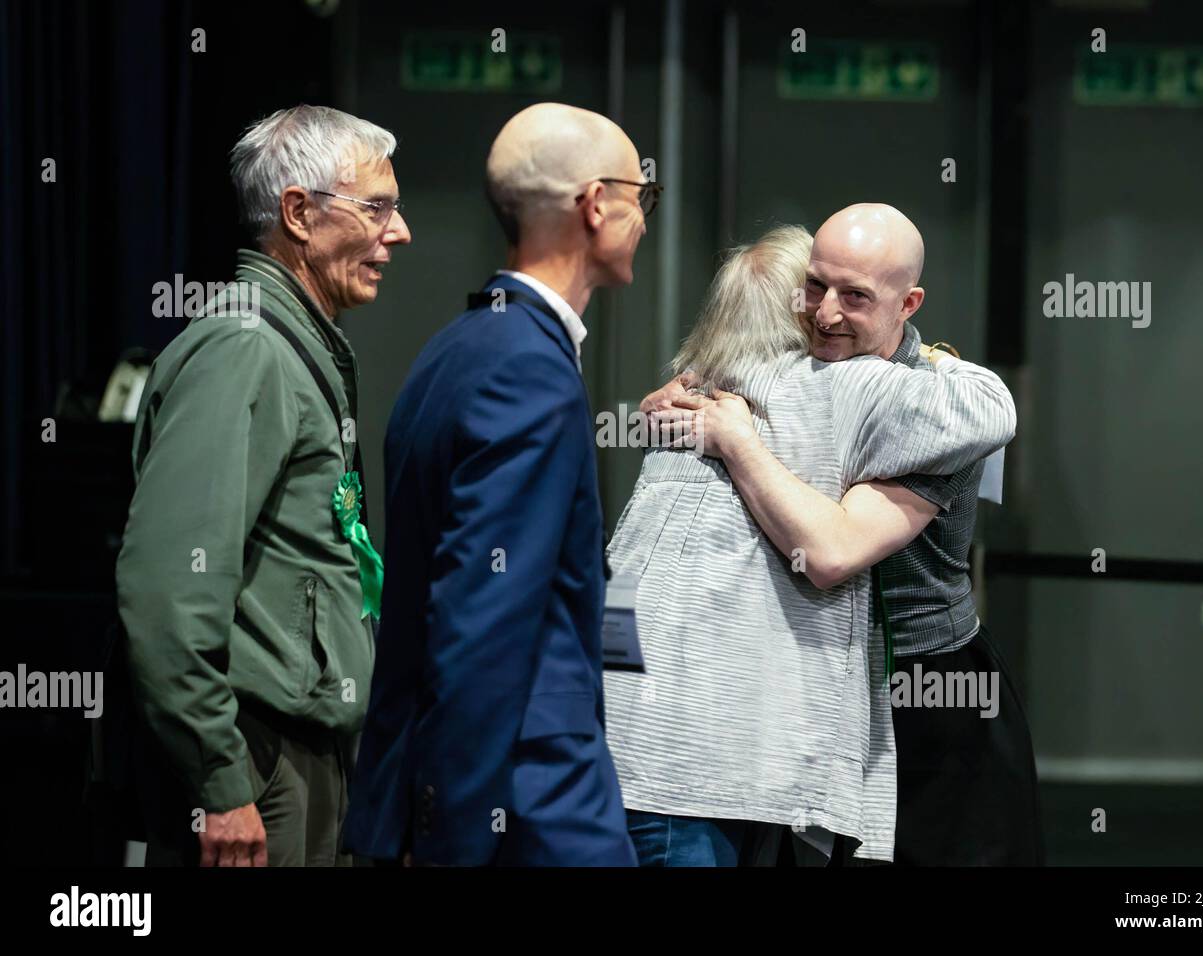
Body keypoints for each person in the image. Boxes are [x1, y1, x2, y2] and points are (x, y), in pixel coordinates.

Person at [604, 219, 1016, 866]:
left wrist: (736, 438)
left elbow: (832, 551)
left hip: (925, 683)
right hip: (813, 675)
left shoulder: (913, 396)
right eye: (813, 288)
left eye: (853, 297)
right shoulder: (764, 388)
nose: (826, 313)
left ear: (907, 305)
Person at [344, 103, 655, 866]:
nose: (645, 216)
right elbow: (479, 619)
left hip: (464, 790)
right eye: (640, 191)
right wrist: (450, 832)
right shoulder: (527, 368)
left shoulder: (457, 345)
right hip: (525, 806)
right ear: (595, 204)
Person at [116, 104, 412, 866]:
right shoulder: (242, 349)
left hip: (294, 756)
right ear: (299, 214)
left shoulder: (287, 341)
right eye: (377, 207)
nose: (399, 231)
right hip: (257, 765)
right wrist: (221, 777)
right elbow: (165, 582)